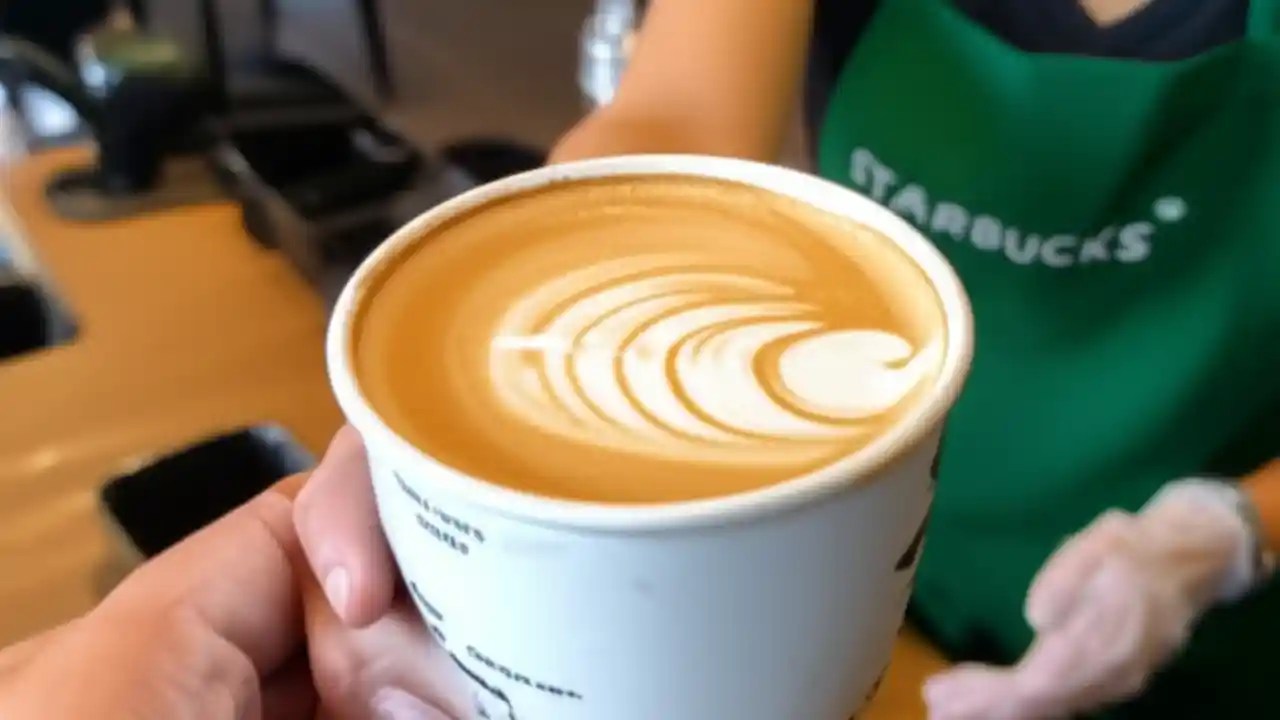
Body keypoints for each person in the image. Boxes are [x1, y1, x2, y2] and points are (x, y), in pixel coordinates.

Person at [288, 0, 1280, 719]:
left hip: (1202, 631)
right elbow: (675, 124)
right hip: (856, 564)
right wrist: (465, 395)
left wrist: (1223, 534)